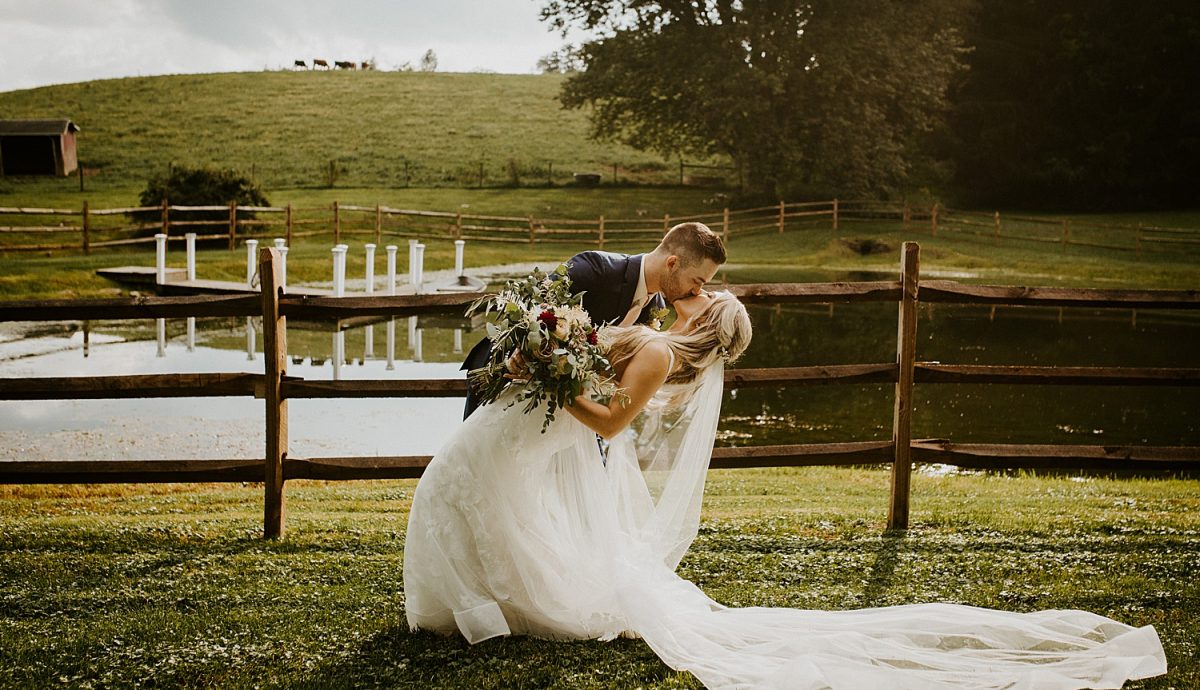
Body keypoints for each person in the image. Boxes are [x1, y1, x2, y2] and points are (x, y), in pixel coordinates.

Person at [406, 291, 1167, 689]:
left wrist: (544, 371)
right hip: (514, 437)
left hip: (524, 435)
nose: (696, 293)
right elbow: (590, 379)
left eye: (705, 297)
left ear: (708, 322)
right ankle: (482, 605)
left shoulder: (663, 359)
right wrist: (546, 351)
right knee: (467, 499)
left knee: (459, 496)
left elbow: (606, 425)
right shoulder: (655, 338)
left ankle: (488, 607)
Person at [460, 221, 727, 418]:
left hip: (554, 407)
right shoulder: (597, 269)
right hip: (502, 379)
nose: (696, 291)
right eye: (697, 281)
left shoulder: (656, 309)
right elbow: (524, 308)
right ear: (672, 263)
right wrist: (523, 350)